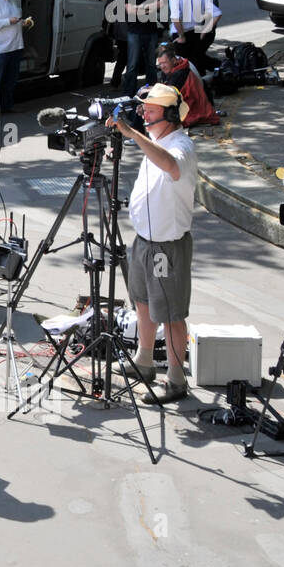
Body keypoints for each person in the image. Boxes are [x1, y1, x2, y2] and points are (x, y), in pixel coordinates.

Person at [105, 84, 198, 405]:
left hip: (167, 246)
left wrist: (133, 135)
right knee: (142, 303)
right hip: (144, 241)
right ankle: (144, 362)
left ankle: (175, 379)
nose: (144, 115)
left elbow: (171, 166)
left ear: (170, 115)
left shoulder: (181, 145)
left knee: (170, 312)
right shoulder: (156, 139)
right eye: (144, 110)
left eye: (151, 111)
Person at [166, 0, 221, 76]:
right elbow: (217, 13)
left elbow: (176, 18)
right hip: (195, 33)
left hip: (181, 34)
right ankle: (201, 86)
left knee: (182, 65)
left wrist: (181, 36)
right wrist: (205, 30)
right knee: (196, 62)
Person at [121, 0, 163, 96]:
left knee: (151, 63)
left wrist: (140, 8)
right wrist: (149, 7)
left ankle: (152, 91)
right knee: (132, 64)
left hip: (151, 31)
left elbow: (160, 4)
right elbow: (130, 10)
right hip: (135, 31)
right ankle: (129, 92)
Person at [154, 44, 220, 127]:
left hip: (193, 112)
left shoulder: (179, 73)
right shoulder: (178, 65)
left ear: (173, 60)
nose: (162, 66)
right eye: (160, 64)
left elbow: (167, 95)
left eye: (164, 63)